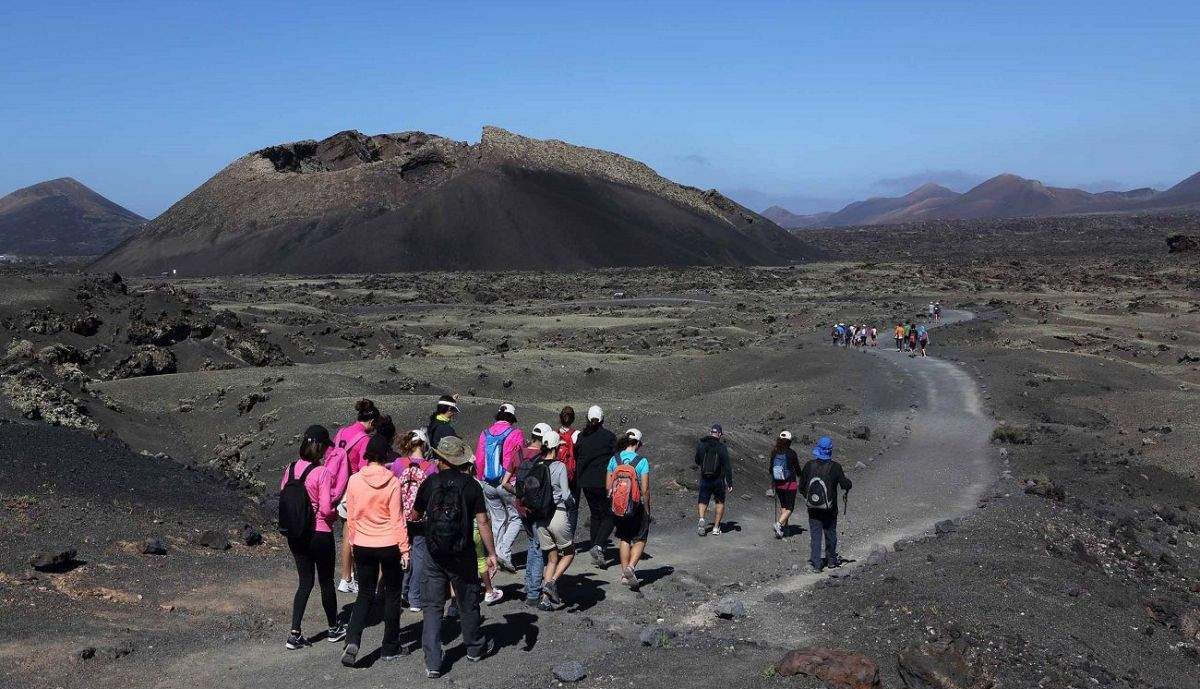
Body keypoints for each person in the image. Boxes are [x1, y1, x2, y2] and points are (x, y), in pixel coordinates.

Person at [412, 436, 497, 678]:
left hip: (434, 552)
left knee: (432, 606)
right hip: (463, 553)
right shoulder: (471, 485)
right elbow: (482, 521)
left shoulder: (430, 483)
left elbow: (415, 514)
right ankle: (474, 647)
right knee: (467, 600)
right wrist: (491, 553)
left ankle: (433, 662)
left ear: (439, 458)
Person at [340, 434, 410, 667]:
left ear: (368, 455)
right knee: (391, 596)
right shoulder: (392, 481)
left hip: (362, 544)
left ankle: (352, 640)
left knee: (364, 595)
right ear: (386, 457)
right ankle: (390, 647)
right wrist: (405, 550)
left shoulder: (354, 481)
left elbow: (351, 517)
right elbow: (397, 520)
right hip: (389, 544)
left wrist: (352, 541)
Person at [280, 425, 344, 649]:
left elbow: (284, 497)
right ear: (320, 447)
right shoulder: (322, 472)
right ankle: (334, 628)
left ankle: (294, 633)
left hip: (296, 533)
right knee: (326, 581)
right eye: (326, 447)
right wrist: (335, 514)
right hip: (320, 533)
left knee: (304, 582)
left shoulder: (289, 469)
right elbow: (326, 509)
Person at [329, 399, 382, 594]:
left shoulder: (341, 432)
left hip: (338, 489)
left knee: (345, 534)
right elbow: (362, 470)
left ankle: (346, 576)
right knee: (352, 536)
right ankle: (347, 578)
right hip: (352, 490)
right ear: (372, 422)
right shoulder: (365, 440)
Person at [474, 403, 526, 572]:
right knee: (515, 517)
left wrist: (482, 479)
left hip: (488, 482)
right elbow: (518, 461)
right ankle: (504, 551)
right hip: (508, 482)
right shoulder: (516, 434)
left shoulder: (485, 434)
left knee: (497, 519)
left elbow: (480, 459)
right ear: (512, 418)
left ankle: (494, 556)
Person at [391, 428, 438, 613]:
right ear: (424, 444)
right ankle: (415, 599)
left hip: (401, 516)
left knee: (403, 552)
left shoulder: (397, 463)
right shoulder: (431, 467)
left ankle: (402, 592)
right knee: (419, 556)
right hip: (422, 517)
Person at [531, 430, 575, 609]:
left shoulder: (536, 464)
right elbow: (565, 494)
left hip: (539, 518)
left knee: (551, 558)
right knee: (570, 552)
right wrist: (572, 503)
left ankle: (544, 599)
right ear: (556, 447)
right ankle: (551, 583)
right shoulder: (559, 467)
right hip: (557, 514)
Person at [799, 436, 852, 574]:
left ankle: (816, 563)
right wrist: (849, 484)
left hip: (813, 508)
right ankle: (831, 560)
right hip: (830, 508)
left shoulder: (809, 465)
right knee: (830, 533)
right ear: (830, 451)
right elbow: (845, 484)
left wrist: (811, 498)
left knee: (815, 535)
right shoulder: (835, 467)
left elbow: (802, 487)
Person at [574, 405, 618, 568]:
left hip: (586, 481)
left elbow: (578, 455)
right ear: (602, 419)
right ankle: (598, 545)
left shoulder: (582, 437)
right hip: (603, 481)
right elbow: (615, 458)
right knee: (610, 514)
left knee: (595, 514)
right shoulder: (609, 437)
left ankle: (596, 547)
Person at [607, 429, 651, 589]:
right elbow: (645, 489)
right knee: (640, 538)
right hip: (636, 505)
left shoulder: (614, 459)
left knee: (624, 538)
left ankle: (624, 575)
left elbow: (608, 486)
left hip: (618, 506)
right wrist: (647, 508)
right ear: (638, 443)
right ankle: (631, 568)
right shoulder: (642, 461)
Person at [695, 423, 733, 536]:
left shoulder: (701, 444)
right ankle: (716, 527)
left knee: (703, 500)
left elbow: (697, 460)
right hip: (718, 480)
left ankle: (702, 519)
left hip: (705, 478)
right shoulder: (721, 447)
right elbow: (727, 466)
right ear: (720, 434)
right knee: (720, 502)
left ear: (710, 432)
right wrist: (729, 482)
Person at [769, 430, 802, 539]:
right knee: (790, 507)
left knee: (783, 505)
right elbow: (797, 469)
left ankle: (784, 529)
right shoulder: (791, 453)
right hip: (790, 483)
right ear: (789, 441)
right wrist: (801, 476)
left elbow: (770, 469)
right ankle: (778, 524)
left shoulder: (775, 452)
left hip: (778, 484)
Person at [557, 406, 581, 537]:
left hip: (556, 473)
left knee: (558, 506)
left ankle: (558, 538)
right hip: (572, 475)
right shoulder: (576, 434)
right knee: (573, 508)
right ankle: (569, 539)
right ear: (573, 418)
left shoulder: (554, 434)